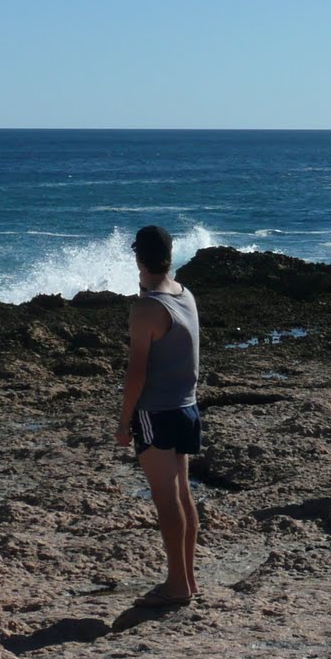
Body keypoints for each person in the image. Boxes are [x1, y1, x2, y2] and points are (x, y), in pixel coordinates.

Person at [114, 224, 202, 607]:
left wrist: (123, 422)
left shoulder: (146, 308)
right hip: (187, 407)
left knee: (166, 499)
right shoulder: (183, 294)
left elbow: (137, 371)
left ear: (138, 258)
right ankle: (188, 579)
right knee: (182, 493)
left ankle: (177, 586)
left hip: (158, 412)